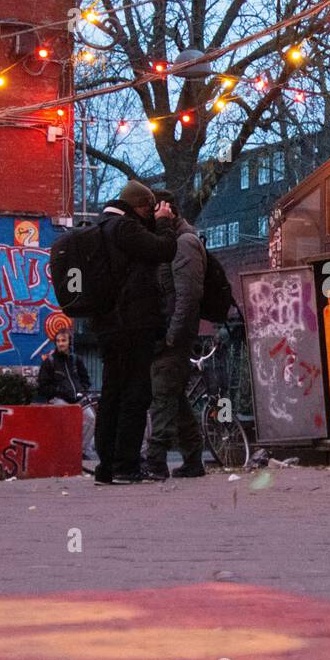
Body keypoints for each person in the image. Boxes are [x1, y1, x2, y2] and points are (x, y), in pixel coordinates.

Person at [89, 180, 177, 485]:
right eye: (148, 210)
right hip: (132, 325)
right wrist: (164, 224)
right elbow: (164, 249)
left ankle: (107, 465)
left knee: (112, 393)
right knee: (136, 394)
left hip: (108, 325)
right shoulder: (125, 229)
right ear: (140, 207)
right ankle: (126, 464)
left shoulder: (101, 228)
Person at [144, 189, 206, 480]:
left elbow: (187, 295)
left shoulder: (184, 243)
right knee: (174, 396)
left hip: (175, 336)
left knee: (163, 395)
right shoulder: (173, 243)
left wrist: (172, 335)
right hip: (170, 333)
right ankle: (194, 459)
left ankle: (155, 460)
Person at [37, 327, 96, 462]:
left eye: (64, 340)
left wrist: (82, 390)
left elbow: (85, 379)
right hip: (59, 400)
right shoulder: (49, 362)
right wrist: (59, 391)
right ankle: (67, 452)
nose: (60, 344)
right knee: (67, 418)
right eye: (58, 341)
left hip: (78, 399)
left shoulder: (76, 360)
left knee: (91, 419)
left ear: (69, 342)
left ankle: (80, 451)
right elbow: (43, 387)